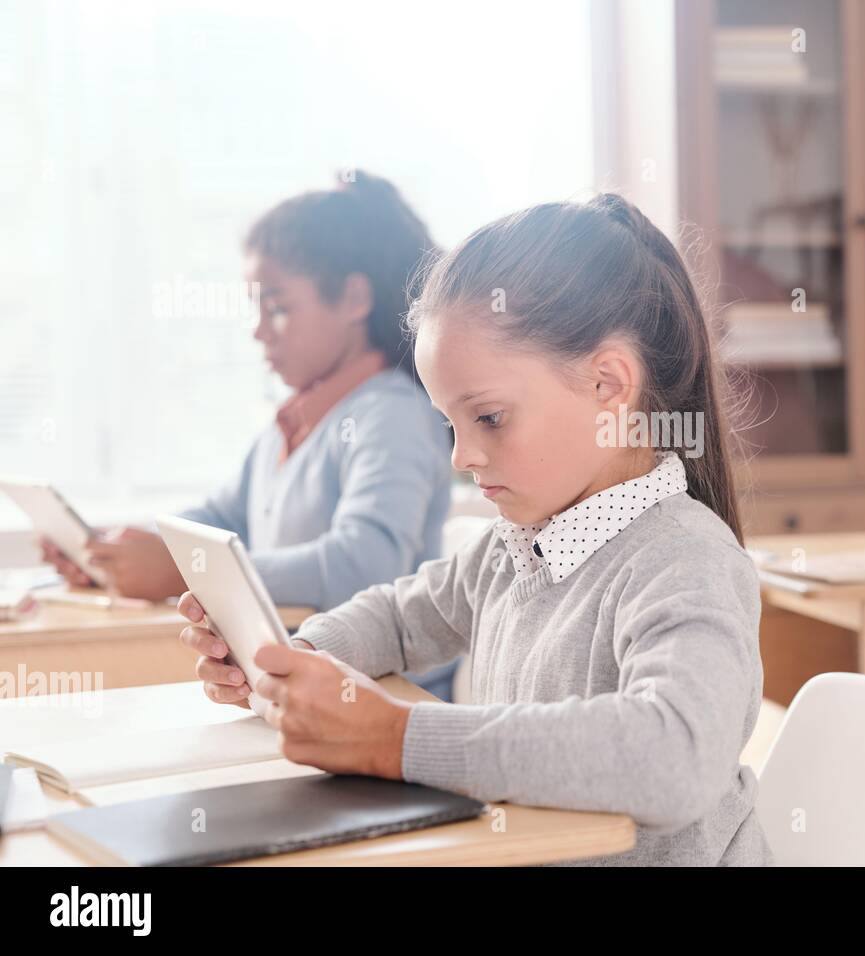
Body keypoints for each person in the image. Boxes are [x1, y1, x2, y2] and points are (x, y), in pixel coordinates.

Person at [178, 194, 772, 865]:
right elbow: (402, 619)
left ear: (609, 384)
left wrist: (396, 739)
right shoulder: (512, 544)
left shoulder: (684, 560)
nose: (461, 457)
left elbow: (674, 756)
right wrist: (292, 656)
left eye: (488, 418)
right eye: (450, 425)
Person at [43, 171, 458, 697]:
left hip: (387, 697)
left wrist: (181, 571)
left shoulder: (392, 415)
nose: (259, 331)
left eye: (279, 308)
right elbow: (218, 519)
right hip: (302, 687)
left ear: (354, 299)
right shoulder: (292, 423)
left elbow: (363, 564)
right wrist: (117, 553)